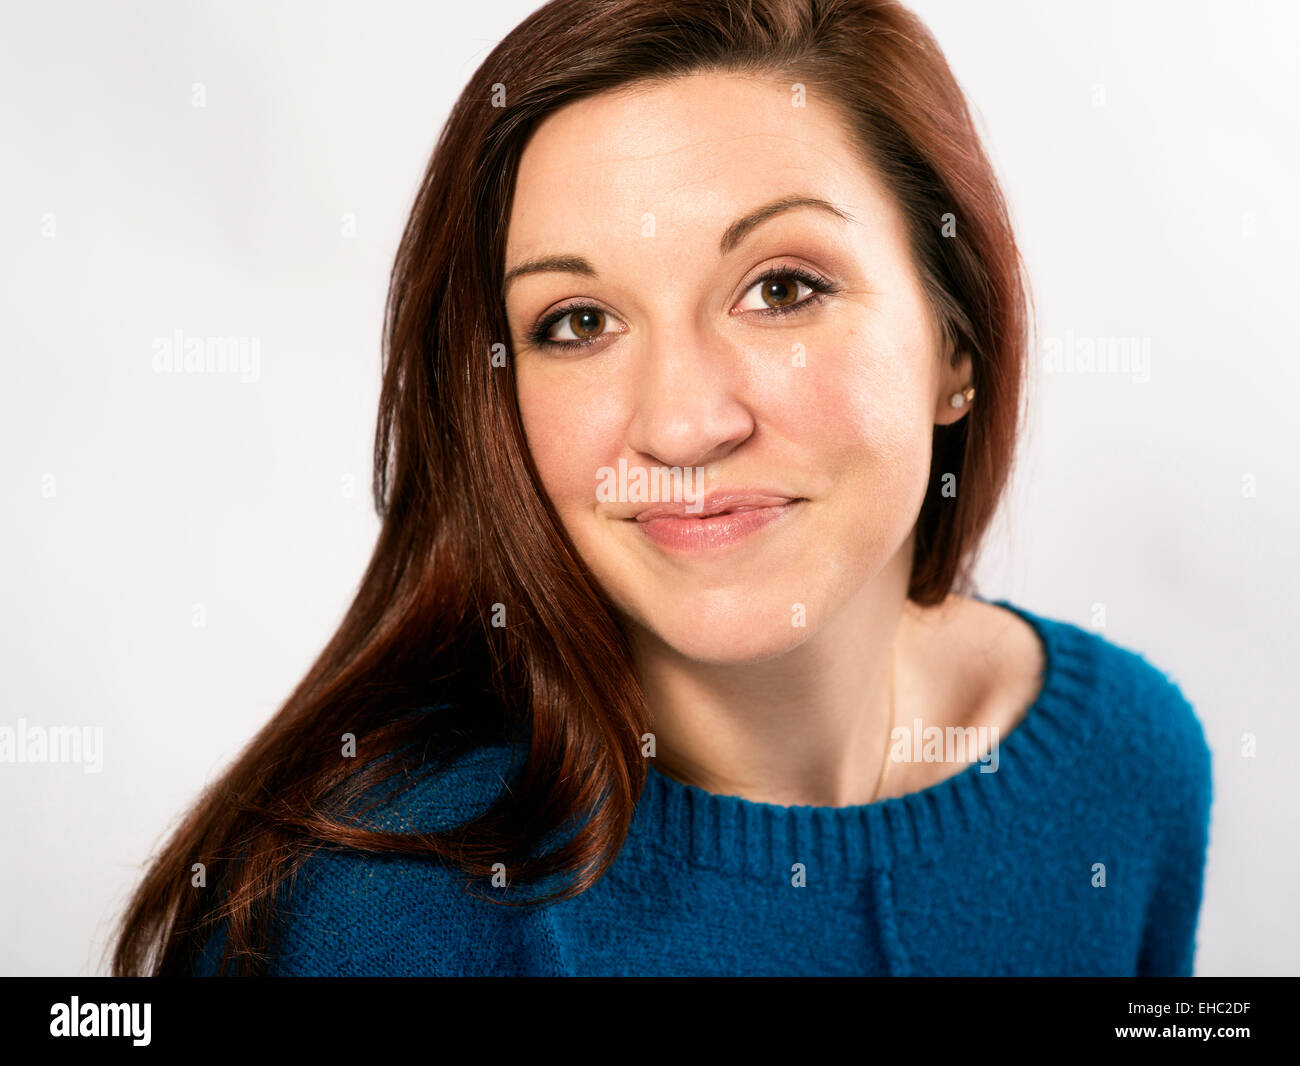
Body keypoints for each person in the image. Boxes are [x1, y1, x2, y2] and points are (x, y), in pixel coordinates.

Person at [111, 0, 1212, 977]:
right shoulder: (376, 918)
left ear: (954, 348)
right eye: (577, 323)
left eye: (781, 289)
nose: (681, 422)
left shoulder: (1129, 759)